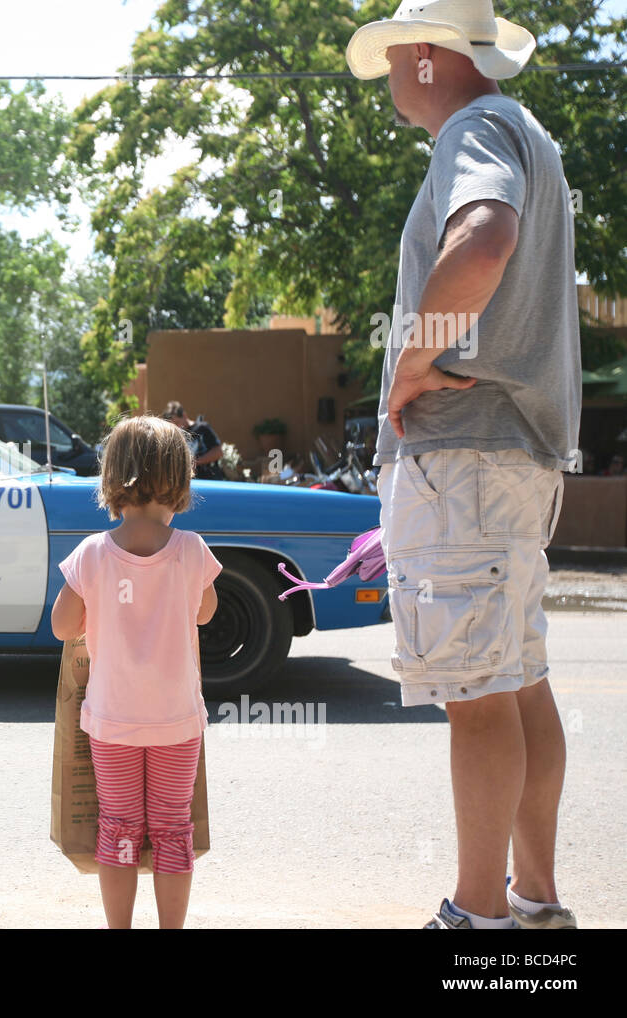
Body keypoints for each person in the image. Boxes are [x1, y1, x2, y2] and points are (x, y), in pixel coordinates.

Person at [347, 0, 580, 929]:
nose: (394, 78)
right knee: (518, 681)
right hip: (516, 455)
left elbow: (482, 239)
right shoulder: (531, 135)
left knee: (477, 697)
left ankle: (476, 921)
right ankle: (534, 902)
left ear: (425, 54)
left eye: (398, 58)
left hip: (461, 456)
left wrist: (409, 360)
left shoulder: (475, 127)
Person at [50, 414, 220, 929]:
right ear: (179, 480)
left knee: (119, 826)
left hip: (113, 720)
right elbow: (206, 613)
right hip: (176, 721)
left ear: (112, 478)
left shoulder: (93, 553)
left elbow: (62, 627)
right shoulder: (190, 549)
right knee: (172, 829)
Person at [162, 402, 224, 480]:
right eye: (173, 425)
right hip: (187, 481)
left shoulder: (202, 428)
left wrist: (195, 462)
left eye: (177, 422)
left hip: (208, 478)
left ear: (184, 415)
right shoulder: (174, 434)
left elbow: (218, 452)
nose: (176, 427)